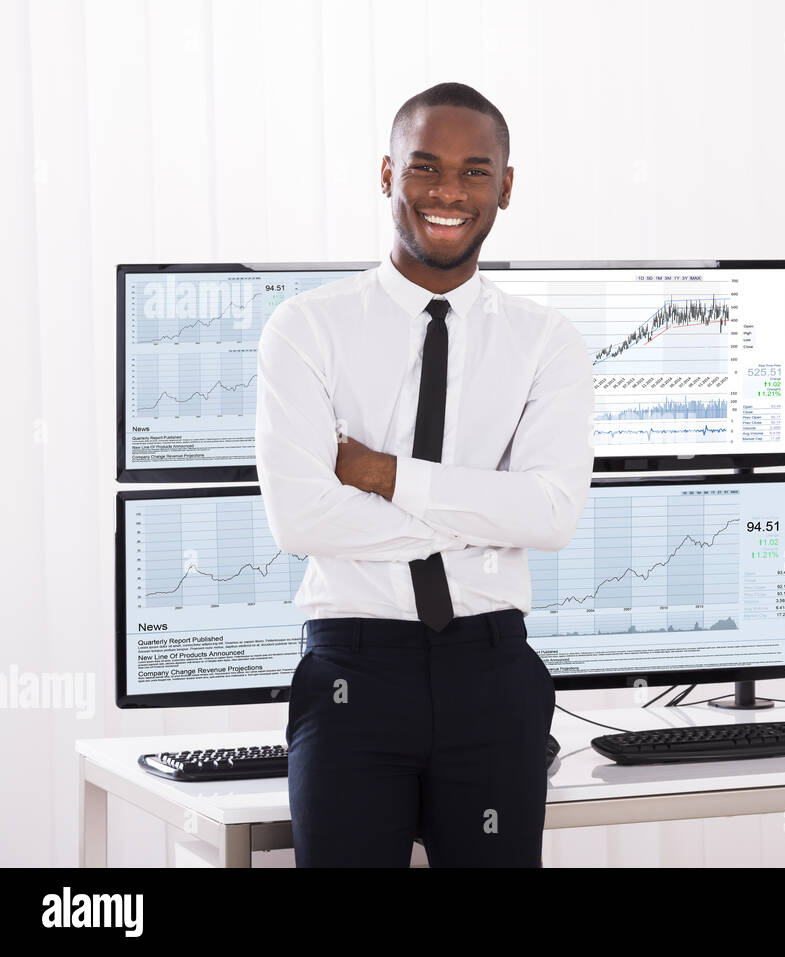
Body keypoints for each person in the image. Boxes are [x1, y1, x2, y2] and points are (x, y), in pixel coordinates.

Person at [255, 82, 594, 867]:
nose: (448, 191)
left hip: (491, 672)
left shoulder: (546, 342)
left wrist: (380, 473)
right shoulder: (307, 329)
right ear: (386, 175)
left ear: (506, 186)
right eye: (424, 167)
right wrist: (483, 517)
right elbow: (301, 520)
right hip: (353, 676)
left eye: (476, 171)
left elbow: (551, 516)